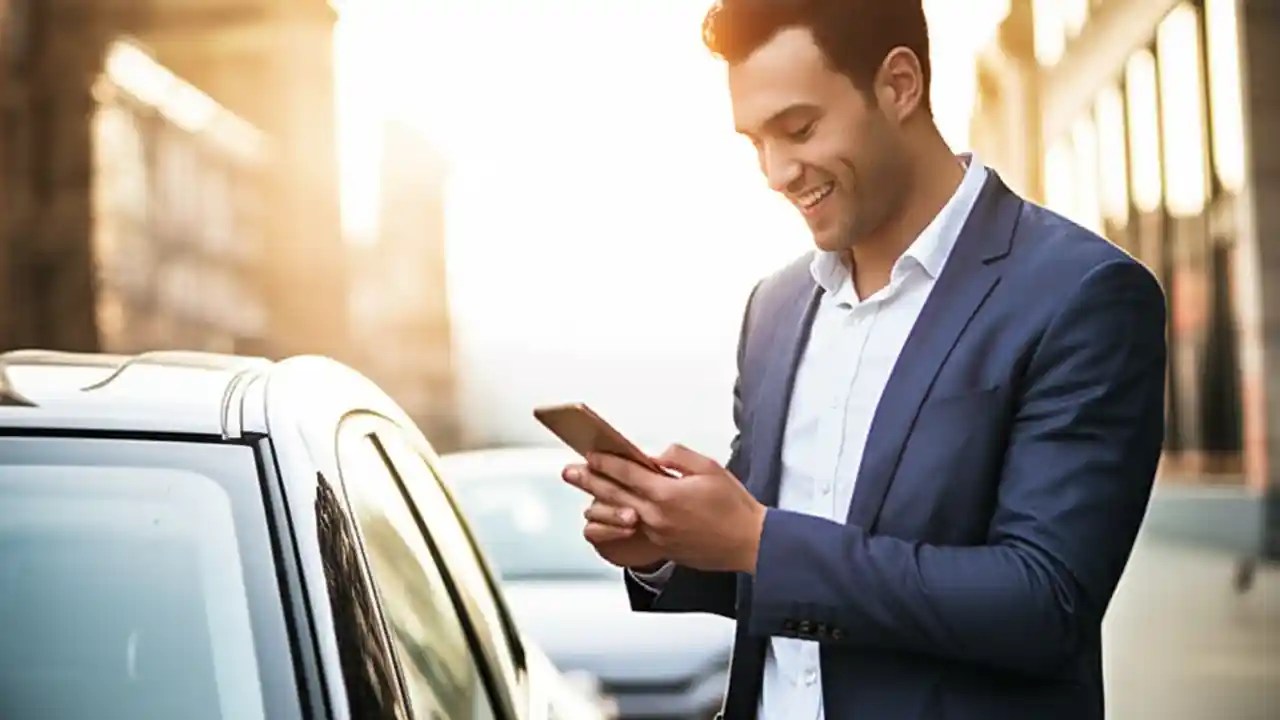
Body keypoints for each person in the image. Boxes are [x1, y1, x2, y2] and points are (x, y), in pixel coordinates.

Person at [560, 1, 1167, 718]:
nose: (777, 172)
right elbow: (775, 566)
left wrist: (756, 540)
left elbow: (1044, 603)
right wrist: (669, 545)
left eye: (799, 128)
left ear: (900, 85)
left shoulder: (1080, 295)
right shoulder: (775, 310)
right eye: (755, 141)